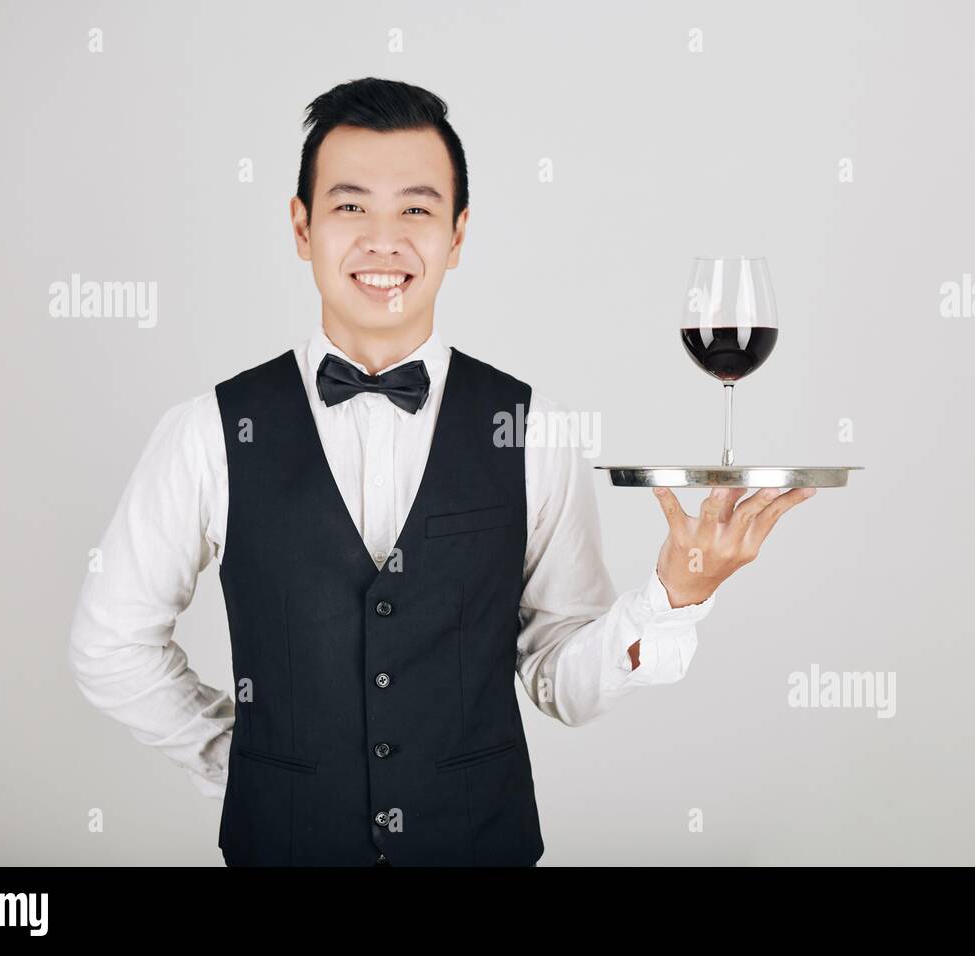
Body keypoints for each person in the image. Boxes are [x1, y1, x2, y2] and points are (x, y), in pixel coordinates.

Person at [67, 77, 816, 867]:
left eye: (416, 210)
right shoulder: (207, 433)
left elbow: (562, 675)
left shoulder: (533, 429)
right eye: (351, 206)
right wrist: (241, 762)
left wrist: (673, 599)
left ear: (458, 236)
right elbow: (109, 644)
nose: (384, 241)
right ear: (301, 227)